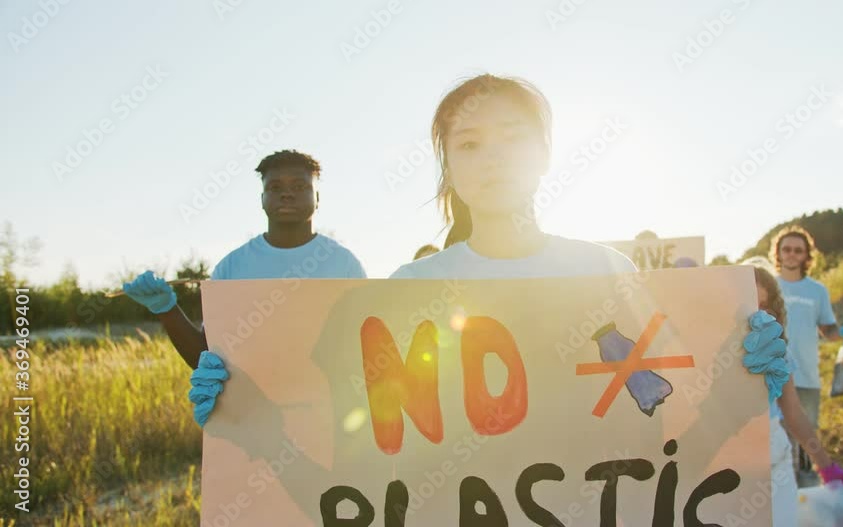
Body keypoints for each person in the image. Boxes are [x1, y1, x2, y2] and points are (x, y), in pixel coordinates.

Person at [185, 76, 793, 522]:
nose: (493, 158)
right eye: (470, 144)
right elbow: (359, 471)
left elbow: (658, 445)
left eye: (512, 138)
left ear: (545, 154)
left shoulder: (607, 273)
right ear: (448, 165)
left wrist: (736, 386)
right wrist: (245, 409)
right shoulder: (408, 290)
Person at [121, 150, 366, 369]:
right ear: (262, 199)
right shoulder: (231, 267)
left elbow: (366, 351)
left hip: (331, 406)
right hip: (249, 407)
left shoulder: (344, 265)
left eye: (300, 186)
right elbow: (204, 358)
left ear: (317, 198)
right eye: (275, 187)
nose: (287, 194)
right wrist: (167, 310)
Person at [753, 266, 843, 523]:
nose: (757, 313)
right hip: (725, 465)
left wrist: (825, 465)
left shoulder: (778, 352)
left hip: (773, 458)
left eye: (764, 306)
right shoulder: (709, 357)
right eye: (750, 304)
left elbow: (793, 412)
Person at [770, 225, 841, 486]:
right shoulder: (768, 286)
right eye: (786, 249)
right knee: (777, 434)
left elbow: (828, 329)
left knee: (806, 434)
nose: (791, 254)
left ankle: (805, 487)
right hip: (774, 373)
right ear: (778, 253)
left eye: (797, 250)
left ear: (806, 256)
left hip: (808, 374)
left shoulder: (817, 290)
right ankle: (780, 487)